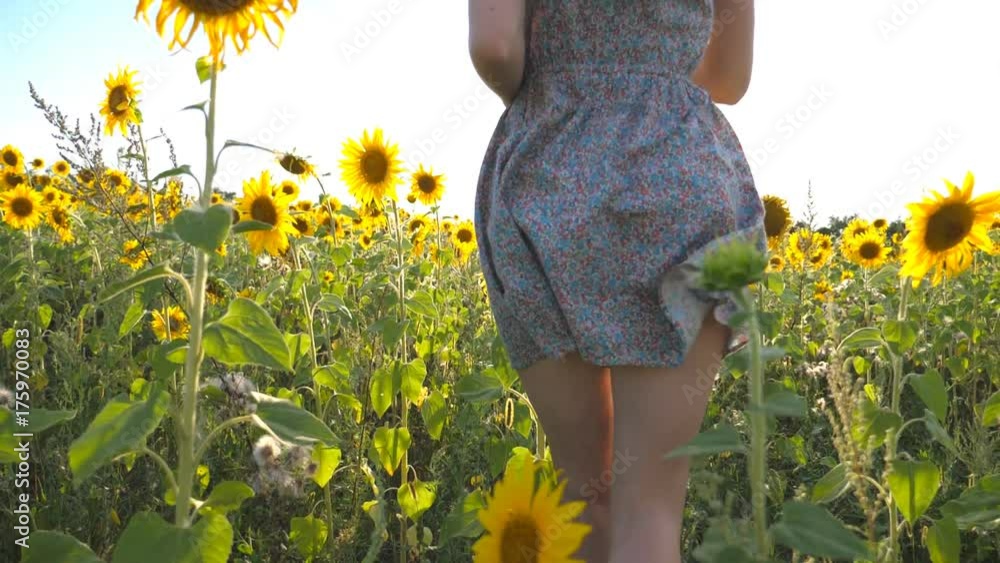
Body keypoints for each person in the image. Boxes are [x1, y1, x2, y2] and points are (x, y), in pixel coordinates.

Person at [468, 1, 764, 562]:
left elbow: (495, 47)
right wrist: (646, 65)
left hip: (546, 163)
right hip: (676, 167)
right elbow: (729, 78)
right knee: (649, 513)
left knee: (582, 497)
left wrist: (554, 88)